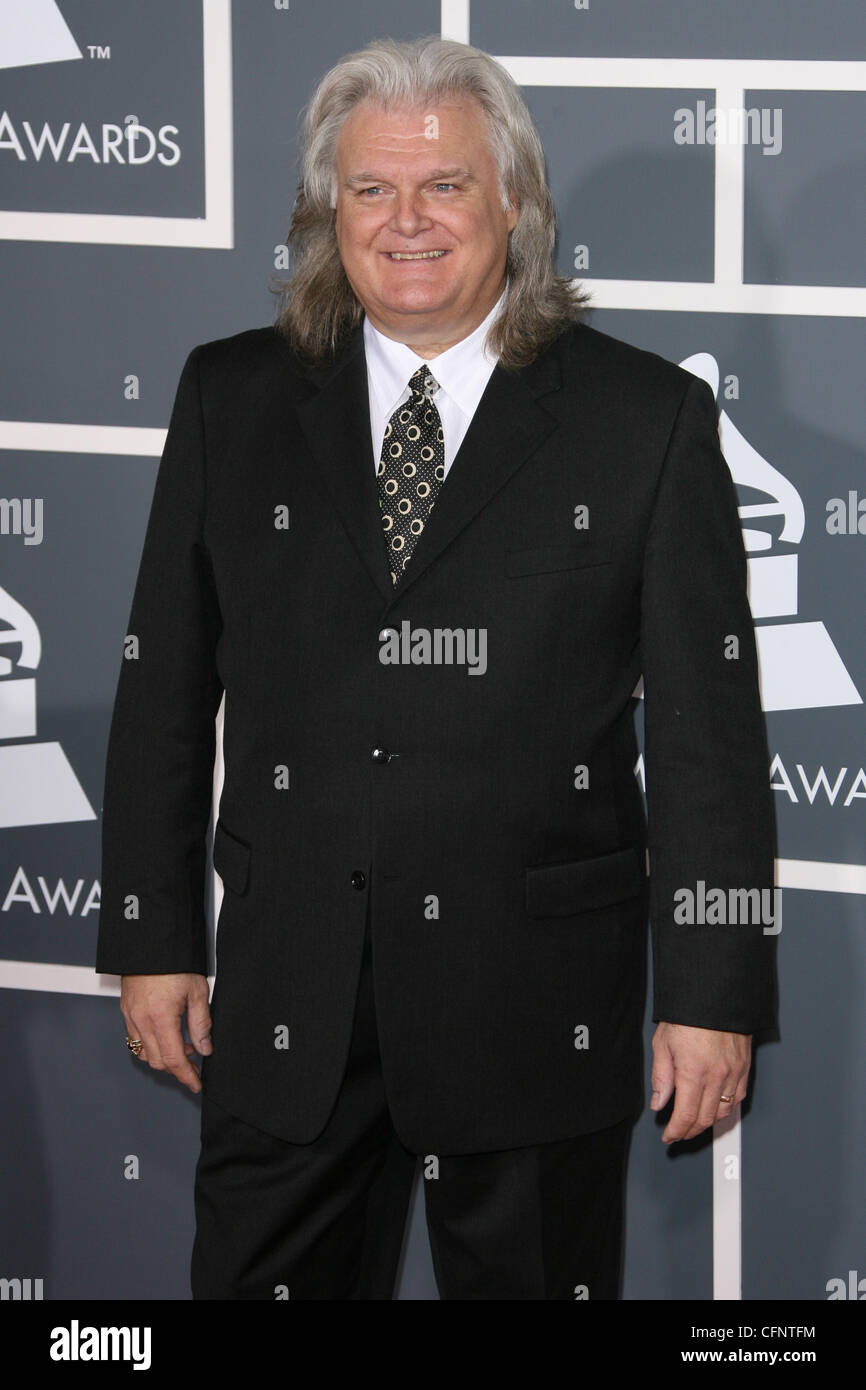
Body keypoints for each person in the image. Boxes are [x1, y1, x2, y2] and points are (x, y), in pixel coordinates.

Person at [96, 34, 777, 1300]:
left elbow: (706, 741)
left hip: (529, 1007)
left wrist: (712, 991)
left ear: (511, 203)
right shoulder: (229, 400)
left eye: (443, 185)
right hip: (284, 1005)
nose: (405, 221)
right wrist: (150, 934)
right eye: (369, 190)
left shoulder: (643, 423)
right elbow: (164, 692)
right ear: (326, 212)